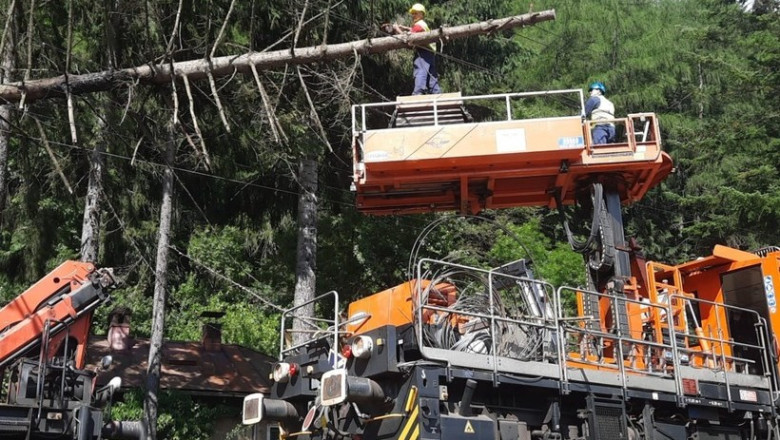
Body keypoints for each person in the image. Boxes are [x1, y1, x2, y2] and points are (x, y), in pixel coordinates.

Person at [392, 4, 442, 95]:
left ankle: (418, 92)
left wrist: (397, 29)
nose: (413, 15)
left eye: (415, 13)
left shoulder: (419, 25)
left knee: (420, 71)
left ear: (421, 15)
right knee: (432, 76)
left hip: (423, 53)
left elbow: (408, 38)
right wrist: (405, 28)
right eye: (413, 13)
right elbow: (414, 31)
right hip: (430, 53)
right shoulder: (422, 25)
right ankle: (437, 93)